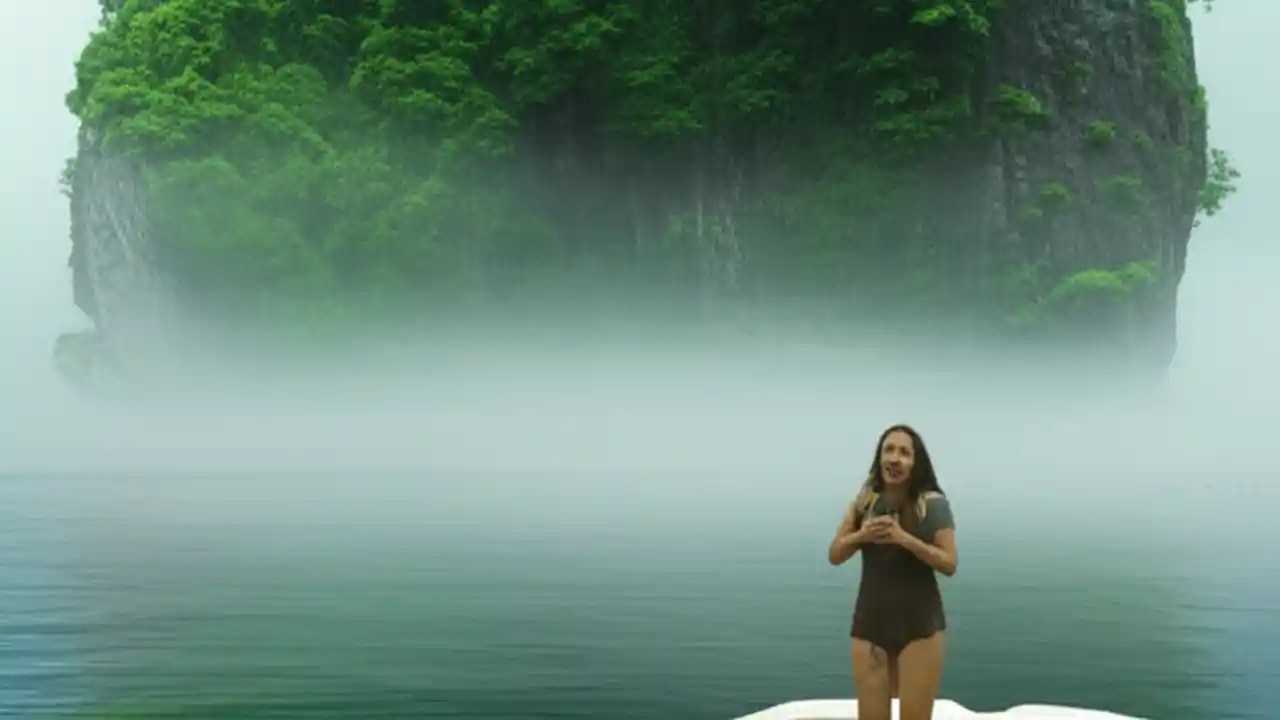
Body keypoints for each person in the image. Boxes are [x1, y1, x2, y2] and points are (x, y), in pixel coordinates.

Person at [826, 424, 958, 720]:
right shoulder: (864, 503)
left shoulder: (932, 505)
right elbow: (835, 554)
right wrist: (862, 536)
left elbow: (949, 563)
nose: (895, 458)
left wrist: (904, 539)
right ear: (879, 458)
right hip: (869, 627)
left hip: (920, 628)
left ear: (916, 463)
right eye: (889, 450)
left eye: (904, 452)